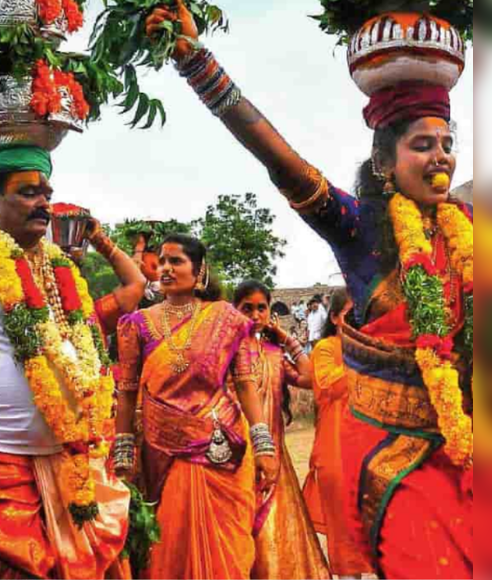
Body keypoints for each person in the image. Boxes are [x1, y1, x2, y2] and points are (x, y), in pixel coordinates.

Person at [148, 2, 472, 576]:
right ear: (383, 160)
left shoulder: (473, 224)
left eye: (447, 143)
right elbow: (276, 157)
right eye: (423, 144)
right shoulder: (361, 229)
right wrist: (198, 62)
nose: (441, 156)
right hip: (395, 459)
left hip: (472, 454)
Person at [0, 148, 131, 579]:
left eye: (46, 193)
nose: (43, 203)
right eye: (28, 193)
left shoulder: (61, 268)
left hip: (70, 463)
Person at [114, 234, 278, 580]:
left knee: (227, 549)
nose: (166, 269)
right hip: (161, 451)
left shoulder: (227, 319)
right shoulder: (138, 324)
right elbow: (127, 392)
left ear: (199, 270)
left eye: (177, 261)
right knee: (168, 542)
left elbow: (246, 384)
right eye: (161, 261)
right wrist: (124, 449)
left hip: (220, 450)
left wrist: (264, 444)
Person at [231, 280, 329, 580]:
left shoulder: (274, 353)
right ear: (235, 310)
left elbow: (309, 378)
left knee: (276, 530)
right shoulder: (226, 352)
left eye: (262, 308)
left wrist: (287, 339)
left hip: (274, 457)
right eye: (247, 308)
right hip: (235, 457)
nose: (256, 315)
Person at [302, 289, 374, 579]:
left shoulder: (375, 348)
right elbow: (329, 385)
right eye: (350, 314)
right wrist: (363, 360)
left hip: (371, 447)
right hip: (336, 449)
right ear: (334, 318)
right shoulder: (326, 348)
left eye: (362, 315)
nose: (357, 321)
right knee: (343, 526)